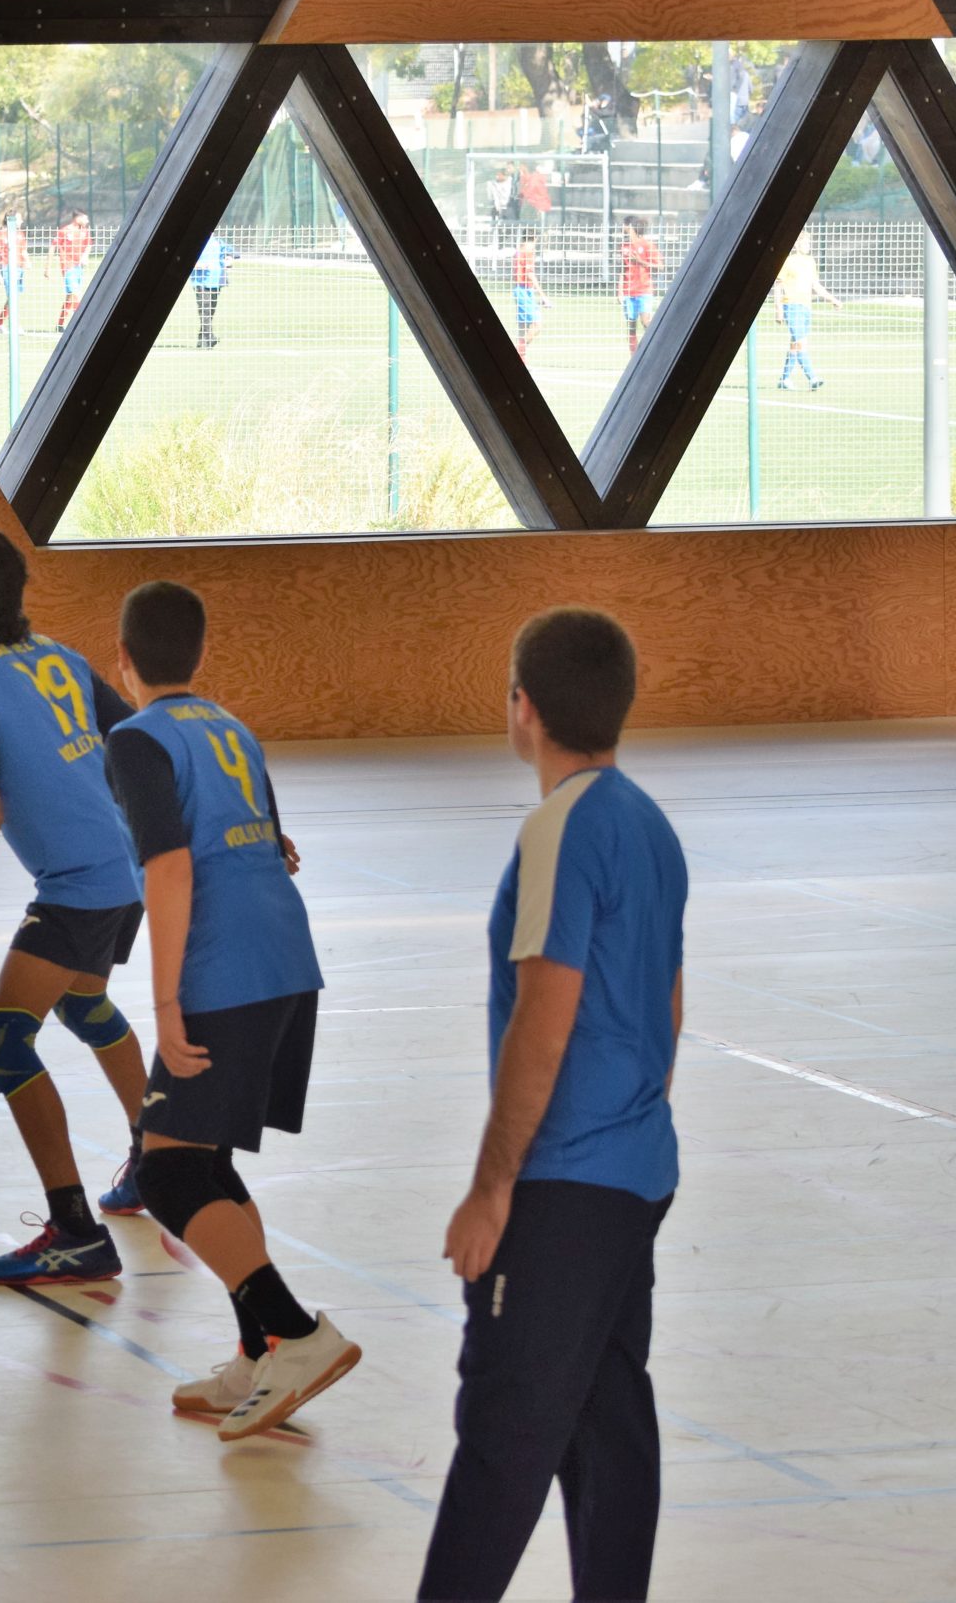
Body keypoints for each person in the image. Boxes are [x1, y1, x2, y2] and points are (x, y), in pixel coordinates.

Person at [418, 609, 686, 1602]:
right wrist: (631, 1126)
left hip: (566, 1183)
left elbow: (545, 1010)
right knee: (606, 1419)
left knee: (506, 1428)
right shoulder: (648, 827)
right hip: (635, 1172)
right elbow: (667, 1001)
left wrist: (494, 1190)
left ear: (522, 709)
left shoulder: (558, 830)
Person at [106, 581, 356, 1441]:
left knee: (164, 1172)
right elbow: (277, 844)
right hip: (288, 958)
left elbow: (168, 869)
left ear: (123, 661)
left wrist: (167, 1000)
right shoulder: (232, 728)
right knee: (199, 1158)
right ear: (201, 657)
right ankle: (258, 1353)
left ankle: (296, 1331)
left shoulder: (136, 741)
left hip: (226, 971)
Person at [0, 520, 151, 1285]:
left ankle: (75, 1230)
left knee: (2, 1042)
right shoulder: (61, 656)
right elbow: (142, 742)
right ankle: (155, 1154)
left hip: (81, 887)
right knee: (84, 1005)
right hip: (125, 873)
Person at [772, 229, 842, 393]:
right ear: (796, 244)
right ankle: (812, 378)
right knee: (800, 342)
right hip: (792, 306)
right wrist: (778, 309)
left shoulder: (810, 261)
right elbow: (778, 285)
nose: (808, 245)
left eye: (809, 242)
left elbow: (815, 285)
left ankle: (784, 379)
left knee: (796, 344)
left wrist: (832, 299)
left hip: (805, 308)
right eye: (805, 242)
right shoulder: (788, 261)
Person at [617, 217, 660, 356]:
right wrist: (619, 290)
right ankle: (634, 358)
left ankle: (653, 348)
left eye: (624, 225)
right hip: (629, 291)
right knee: (631, 326)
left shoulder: (647, 245)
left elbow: (660, 266)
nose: (622, 228)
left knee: (646, 322)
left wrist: (640, 262)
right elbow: (623, 269)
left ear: (630, 227)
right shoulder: (624, 246)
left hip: (644, 290)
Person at [190, 232, 238, 349]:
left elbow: (229, 251)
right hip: (201, 282)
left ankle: (202, 339)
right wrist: (198, 265)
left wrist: (229, 258)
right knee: (205, 310)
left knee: (210, 310)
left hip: (216, 281)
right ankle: (208, 338)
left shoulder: (218, 241)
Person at [512, 227, 548, 362]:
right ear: (535, 239)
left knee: (523, 326)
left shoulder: (519, 250)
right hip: (523, 290)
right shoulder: (528, 251)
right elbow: (530, 274)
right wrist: (543, 295)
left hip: (521, 289)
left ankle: (522, 360)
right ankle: (518, 351)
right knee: (537, 324)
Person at [53, 210, 93, 331]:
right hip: (67, 266)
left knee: (70, 296)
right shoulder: (65, 231)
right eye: (85, 218)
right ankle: (82, 323)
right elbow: (53, 246)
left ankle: (60, 324)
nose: (87, 221)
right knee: (76, 294)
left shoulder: (85, 231)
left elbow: (89, 245)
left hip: (78, 267)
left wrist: (84, 256)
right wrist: (47, 268)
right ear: (77, 218)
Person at [0, 209, 28, 332]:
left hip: (19, 267)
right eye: (19, 218)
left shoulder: (20, 234)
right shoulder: (1, 235)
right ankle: (15, 325)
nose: (22, 220)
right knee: (12, 296)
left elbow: (23, 250)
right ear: (11, 220)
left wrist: (27, 261)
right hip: (7, 267)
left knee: (14, 297)